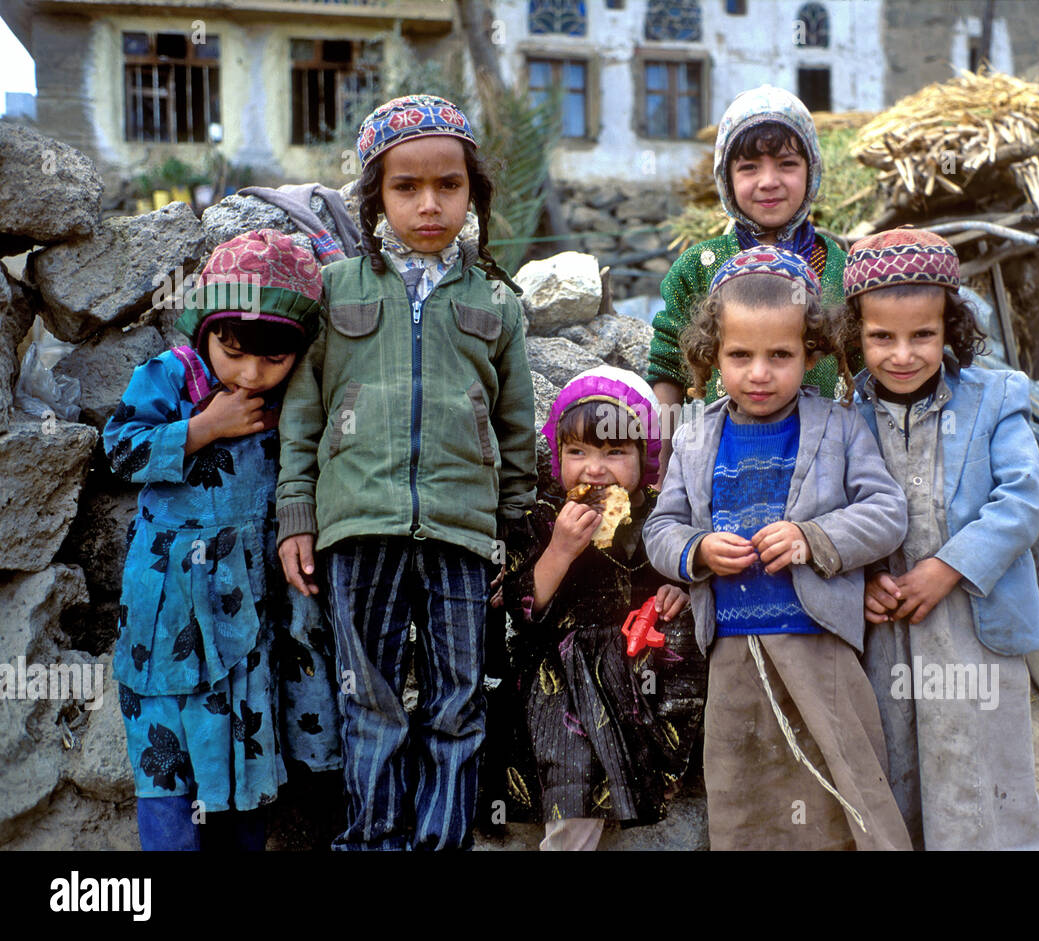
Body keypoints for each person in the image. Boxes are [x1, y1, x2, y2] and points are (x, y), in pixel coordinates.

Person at [276, 93, 536, 851]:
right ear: (375, 197)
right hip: (359, 527)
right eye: (406, 186)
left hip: (462, 531)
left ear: (472, 193)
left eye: (448, 185)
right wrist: (298, 512)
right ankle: (370, 839)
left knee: (458, 702)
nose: (429, 203)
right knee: (371, 700)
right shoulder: (336, 290)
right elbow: (302, 417)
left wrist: (509, 535)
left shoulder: (496, 302)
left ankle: (440, 843)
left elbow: (517, 428)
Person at [643, 246, 912, 850]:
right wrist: (698, 550)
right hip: (733, 653)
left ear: (811, 354)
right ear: (712, 356)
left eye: (780, 355)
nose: (759, 372)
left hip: (819, 646)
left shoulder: (839, 428)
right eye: (740, 355)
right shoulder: (692, 438)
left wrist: (812, 538)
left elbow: (887, 513)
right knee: (744, 792)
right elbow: (660, 530)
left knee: (845, 780)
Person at [104, 228, 341, 851]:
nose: (251, 373)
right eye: (231, 351)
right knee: (169, 758)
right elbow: (119, 452)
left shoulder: (300, 397)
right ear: (204, 328)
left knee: (247, 755)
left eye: (273, 360)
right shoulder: (170, 377)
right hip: (172, 604)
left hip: (256, 607)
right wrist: (203, 428)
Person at [845, 228, 1039, 850]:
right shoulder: (846, 414)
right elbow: (835, 510)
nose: (901, 354)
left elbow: (1021, 500)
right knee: (898, 762)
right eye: (882, 337)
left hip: (973, 621)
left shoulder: (995, 398)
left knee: (982, 766)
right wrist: (863, 580)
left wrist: (947, 567)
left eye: (922, 336)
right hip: (890, 627)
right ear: (856, 334)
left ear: (950, 331)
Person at [491, 367, 706, 850]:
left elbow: (675, 575)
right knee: (568, 756)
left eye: (615, 452)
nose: (595, 468)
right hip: (558, 674)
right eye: (578, 452)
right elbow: (525, 611)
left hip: (631, 667)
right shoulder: (542, 517)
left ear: (644, 458)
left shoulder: (657, 517)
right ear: (557, 456)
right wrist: (560, 551)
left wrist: (673, 592)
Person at [645, 85, 850, 479]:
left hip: (823, 470)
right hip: (721, 466)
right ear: (725, 176)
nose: (769, 181)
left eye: (787, 164)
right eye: (749, 167)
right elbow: (668, 367)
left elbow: (860, 372)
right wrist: (662, 466)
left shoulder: (839, 267)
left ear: (812, 170)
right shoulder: (698, 267)